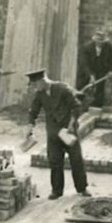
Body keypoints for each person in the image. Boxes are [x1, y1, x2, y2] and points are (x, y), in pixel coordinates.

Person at [26, 69, 91, 200]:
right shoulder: (40, 94)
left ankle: (82, 188)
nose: (34, 87)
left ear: (42, 80)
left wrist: (72, 125)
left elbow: (76, 107)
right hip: (53, 132)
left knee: (76, 160)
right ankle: (57, 190)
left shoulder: (62, 88)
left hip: (68, 131)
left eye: (35, 84)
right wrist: (30, 126)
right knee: (55, 161)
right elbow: (33, 111)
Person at [78, 29, 112, 107]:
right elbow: (84, 64)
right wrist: (91, 75)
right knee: (82, 87)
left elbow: (111, 59)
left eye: (102, 42)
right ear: (95, 40)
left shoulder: (108, 47)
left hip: (101, 69)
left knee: (100, 89)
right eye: (99, 41)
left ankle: (96, 107)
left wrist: (110, 70)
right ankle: (77, 105)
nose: (100, 44)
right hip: (87, 70)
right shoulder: (86, 47)